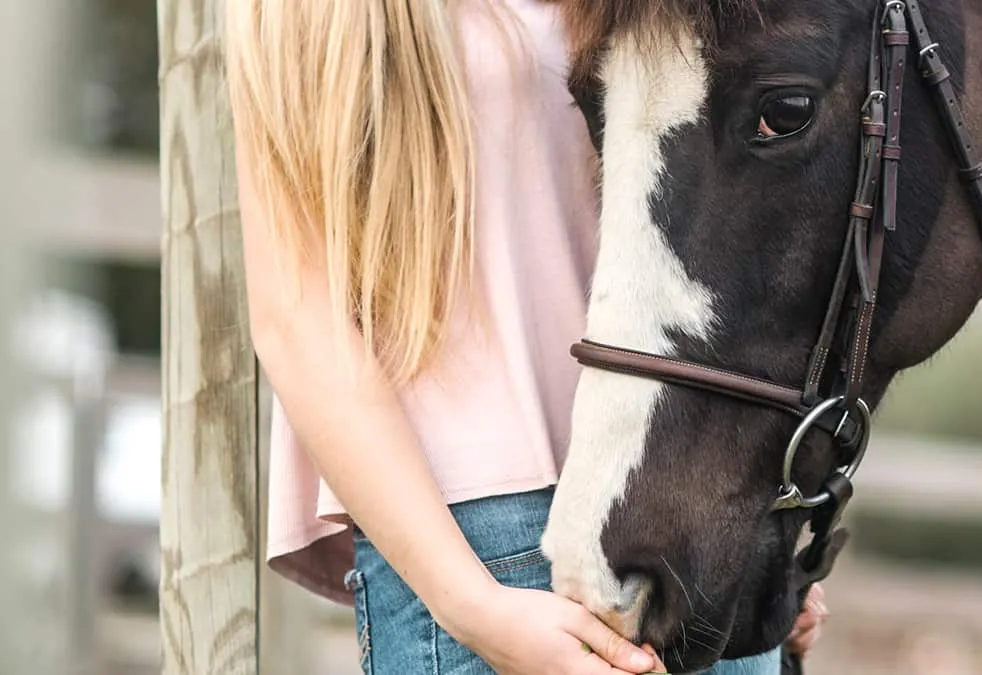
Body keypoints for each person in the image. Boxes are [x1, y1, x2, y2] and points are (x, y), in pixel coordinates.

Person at [224, 0, 827, 673]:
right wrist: (474, 606)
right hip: (484, 547)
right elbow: (299, 320)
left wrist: (765, 525)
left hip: (696, 520)